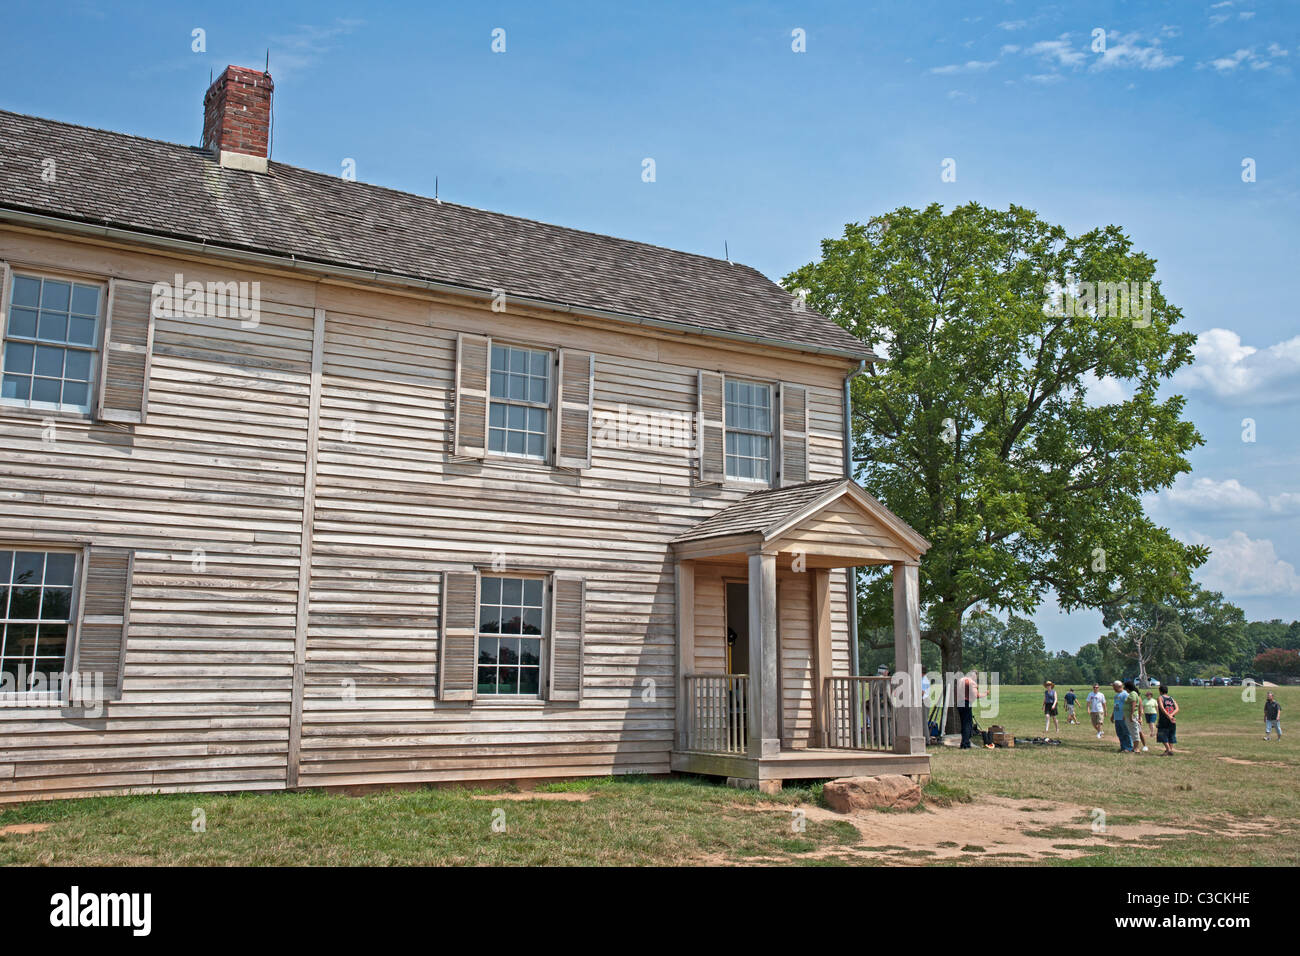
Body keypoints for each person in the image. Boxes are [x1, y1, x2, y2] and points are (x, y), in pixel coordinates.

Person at [956, 671, 981, 749]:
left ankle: (964, 742)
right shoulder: (970, 682)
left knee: (963, 723)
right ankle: (965, 743)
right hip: (966, 702)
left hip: (959, 703)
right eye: (975, 677)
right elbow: (975, 695)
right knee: (967, 724)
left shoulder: (960, 680)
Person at [1156, 684, 1179, 755]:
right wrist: (1171, 715)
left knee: (1162, 734)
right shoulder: (1171, 698)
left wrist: (1168, 715)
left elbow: (1162, 708)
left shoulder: (1160, 698)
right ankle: (1169, 750)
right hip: (1172, 719)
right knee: (1171, 735)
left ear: (1160, 691)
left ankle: (1168, 749)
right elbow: (1177, 708)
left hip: (1164, 719)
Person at [1125, 679, 1147, 752]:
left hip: (1135, 716)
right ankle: (1136, 747)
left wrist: (1140, 718)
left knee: (1137, 732)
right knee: (1136, 731)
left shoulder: (1134, 695)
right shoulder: (1133, 694)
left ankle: (1140, 747)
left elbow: (1138, 708)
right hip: (1134, 716)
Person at [1112, 680, 1133, 753]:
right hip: (1117, 717)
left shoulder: (1125, 694)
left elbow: (1129, 705)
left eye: (1114, 687)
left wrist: (1126, 714)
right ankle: (1123, 747)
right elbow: (1115, 706)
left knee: (1126, 733)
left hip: (1123, 717)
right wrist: (1112, 715)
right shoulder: (1116, 696)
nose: (1113, 688)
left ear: (1119, 686)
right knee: (1119, 733)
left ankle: (1129, 747)